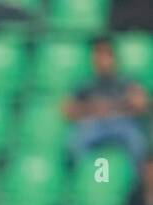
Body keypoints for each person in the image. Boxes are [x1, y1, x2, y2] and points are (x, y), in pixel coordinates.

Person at [64, 35, 149, 171]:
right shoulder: (85, 82)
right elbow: (68, 110)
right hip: (93, 123)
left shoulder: (127, 80)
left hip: (122, 122)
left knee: (138, 143)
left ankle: (137, 184)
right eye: (98, 55)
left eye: (106, 55)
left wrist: (118, 106)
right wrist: (91, 108)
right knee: (76, 142)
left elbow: (142, 105)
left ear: (114, 57)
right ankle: (80, 181)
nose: (102, 60)